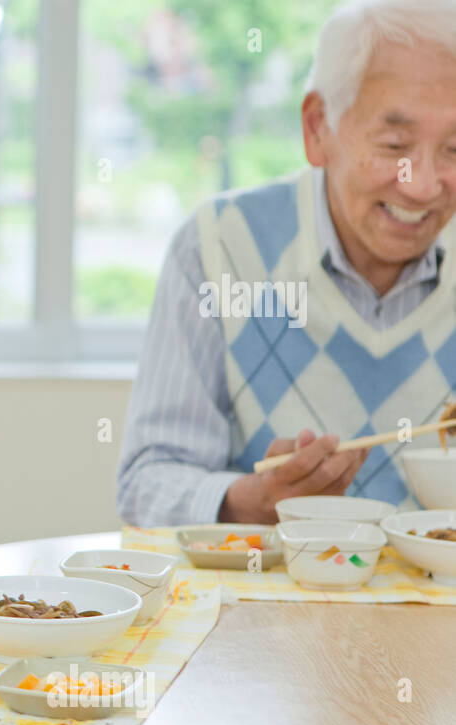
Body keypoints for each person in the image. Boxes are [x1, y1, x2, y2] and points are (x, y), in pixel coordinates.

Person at [117, 0, 456, 527]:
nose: (424, 184)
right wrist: (243, 500)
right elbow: (147, 481)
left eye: (455, 149)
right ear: (318, 126)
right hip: (260, 604)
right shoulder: (217, 247)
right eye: (395, 145)